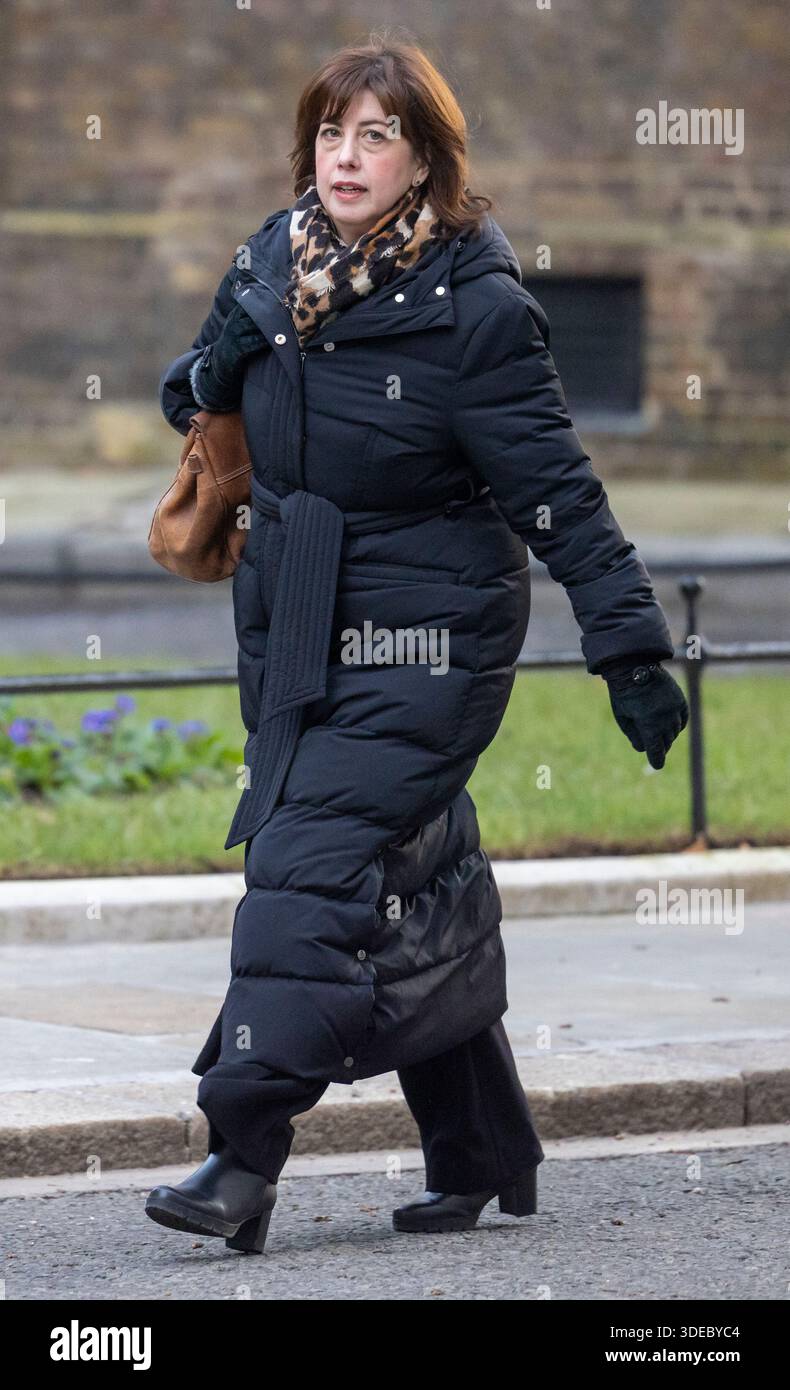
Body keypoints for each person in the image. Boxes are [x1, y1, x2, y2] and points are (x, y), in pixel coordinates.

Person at [145, 35, 688, 1254]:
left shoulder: (475, 311)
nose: (346, 155)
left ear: (424, 160)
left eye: (374, 134)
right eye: (331, 132)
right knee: (408, 884)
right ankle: (485, 1151)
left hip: (425, 639)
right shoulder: (267, 264)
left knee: (303, 868)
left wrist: (629, 646)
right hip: (293, 634)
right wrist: (208, 365)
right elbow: (194, 401)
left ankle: (241, 1153)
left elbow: (556, 488)